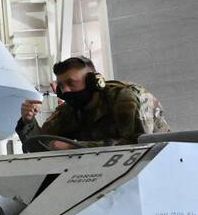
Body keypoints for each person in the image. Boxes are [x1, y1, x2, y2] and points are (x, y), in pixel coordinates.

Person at [17, 56, 168, 152]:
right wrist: (28, 122)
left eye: (71, 83)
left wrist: (75, 147)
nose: (65, 90)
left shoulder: (126, 99)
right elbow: (41, 147)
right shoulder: (69, 109)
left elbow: (137, 147)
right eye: (61, 85)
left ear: (93, 82)